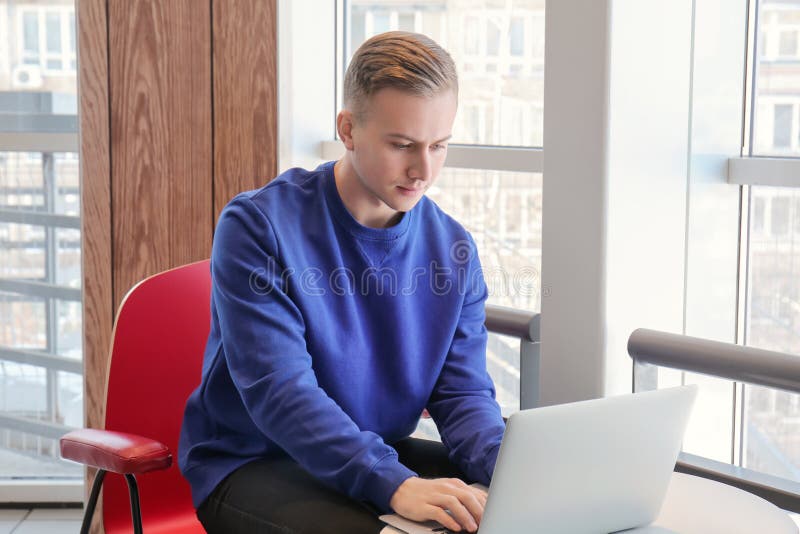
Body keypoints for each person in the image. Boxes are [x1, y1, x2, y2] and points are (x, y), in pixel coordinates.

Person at [178, 31, 506, 534]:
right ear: (348, 130)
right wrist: (393, 483)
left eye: (439, 146)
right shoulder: (258, 226)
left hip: (375, 450)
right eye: (402, 145)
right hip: (252, 463)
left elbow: (462, 395)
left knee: (506, 513)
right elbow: (282, 393)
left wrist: (507, 473)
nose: (423, 170)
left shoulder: (453, 249)